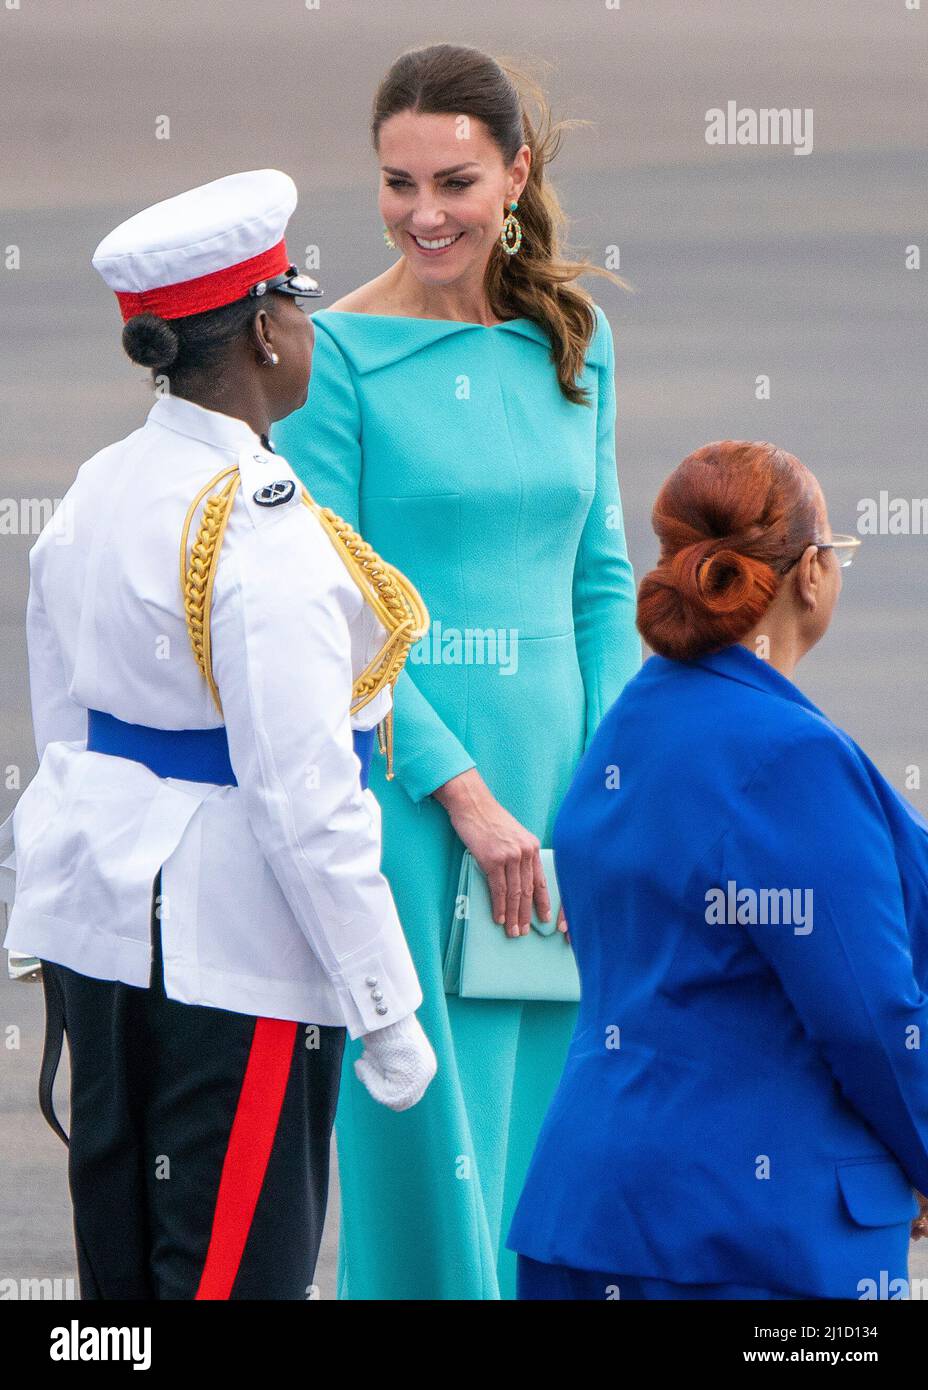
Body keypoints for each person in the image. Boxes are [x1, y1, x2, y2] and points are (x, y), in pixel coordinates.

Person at [2, 168, 436, 1300]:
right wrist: (386, 1004)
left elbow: (68, 732)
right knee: (230, 1274)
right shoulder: (261, 530)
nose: (306, 326)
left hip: (104, 924)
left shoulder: (100, 485)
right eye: (295, 302)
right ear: (261, 327)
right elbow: (305, 798)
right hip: (235, 956)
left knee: (123, 1287)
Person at [274, 44, 641, 1300]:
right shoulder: (332, 360)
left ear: (515, 175)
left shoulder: (571, 339)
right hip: (415, 797)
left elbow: (599, 580)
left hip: (562, 786)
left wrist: (607, 782)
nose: (423, 211)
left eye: (454, 180)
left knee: (554, 1115)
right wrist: (468, 798)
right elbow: (337, 610)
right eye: (395, 181)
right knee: (433, 1131)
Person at [507, 439, 928, 1299]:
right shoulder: (790, 758)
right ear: (811, 574)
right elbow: (870, 1016)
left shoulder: (630, 725)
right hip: (748, 1240)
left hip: (590, 1215)